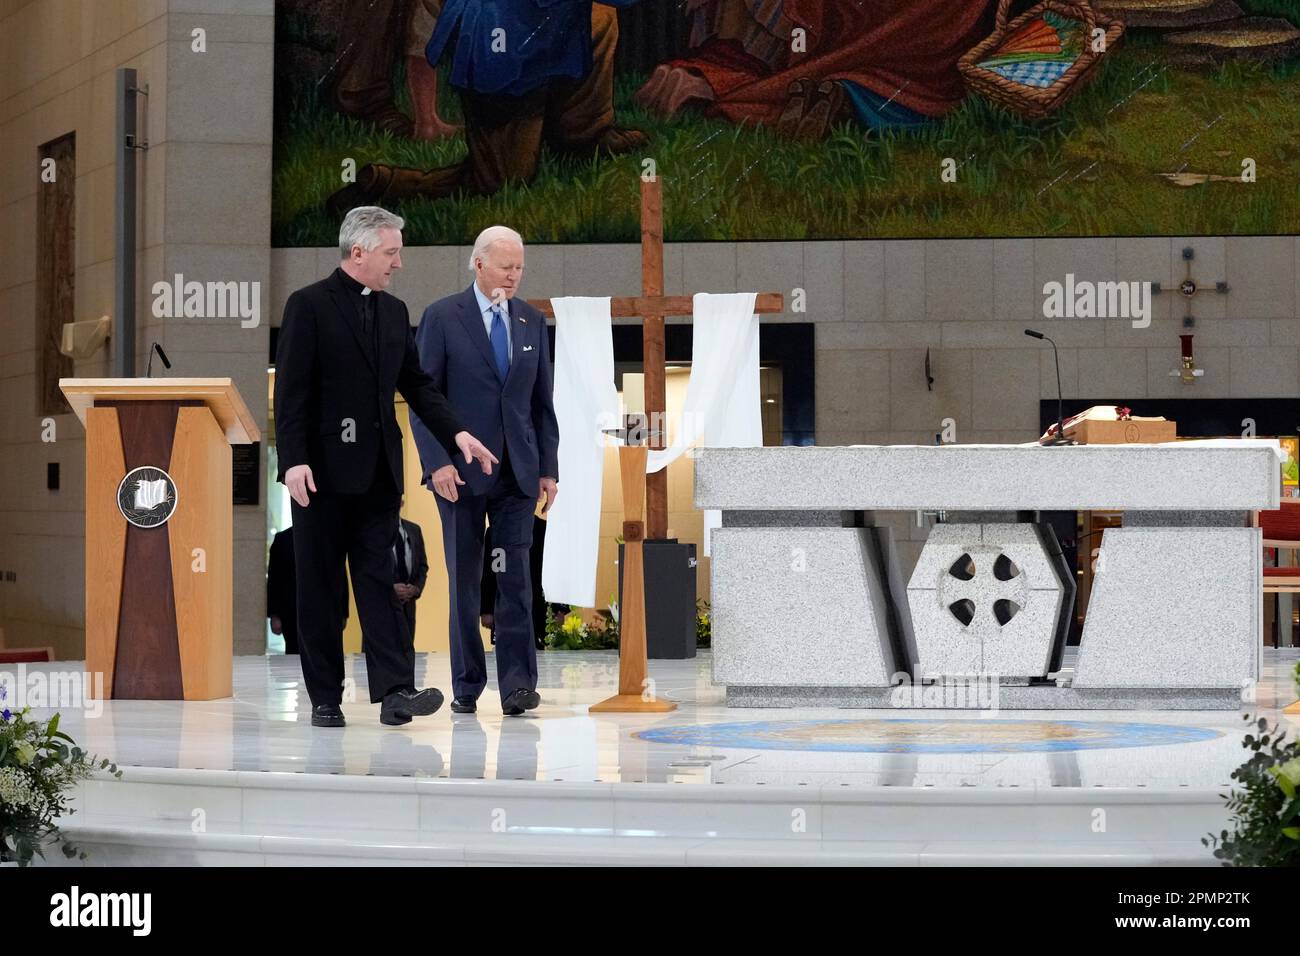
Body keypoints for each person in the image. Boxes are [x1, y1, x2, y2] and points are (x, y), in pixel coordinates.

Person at [274, 205, 497, 728]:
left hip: (377, 476)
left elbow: (418, 385)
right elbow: (291, 393)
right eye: (392, 252)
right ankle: (325, 698)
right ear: (359, 252)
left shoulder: (395, 312)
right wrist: (293, 461)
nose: (398, 263)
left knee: (380, 583)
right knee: (322, 589)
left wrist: (458, 433)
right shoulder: (308, 306)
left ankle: (395, 691)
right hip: (320, 477)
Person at [408, 225, 560, 717]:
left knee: (515, 577)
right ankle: (467, 684)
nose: (513, 276)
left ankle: (518, 685)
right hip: (460, 473)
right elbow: (422, 399)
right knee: (466, 581)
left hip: (518, 473)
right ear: (478, 264)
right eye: (505, 267)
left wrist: (548, 469)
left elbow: (541, 404)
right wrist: (436, 464)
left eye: (519, 267)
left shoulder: (532, 322)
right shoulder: (442, 317)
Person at [326, 1, 647, 215]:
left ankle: (584, 132)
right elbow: (426, 23)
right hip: (505, 52)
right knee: (501, 181)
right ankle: (386, 182)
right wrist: (426, 118)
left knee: (600, 16)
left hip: (554, 24)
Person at [392, 515, 429, 638]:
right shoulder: (373, 531)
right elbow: (368, 569)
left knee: (407, 651)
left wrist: (416, 588)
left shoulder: (414, 530)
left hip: (408, 607)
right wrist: (389, 589)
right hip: (382, 608)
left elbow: (422, 565)